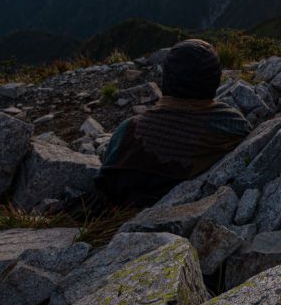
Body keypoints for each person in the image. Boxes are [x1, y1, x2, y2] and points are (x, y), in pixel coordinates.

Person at [93, 39, 251, 207]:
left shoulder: (127, 131)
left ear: (166, 80)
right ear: (214, 82)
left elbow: (104, 180)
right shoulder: (230, 124)